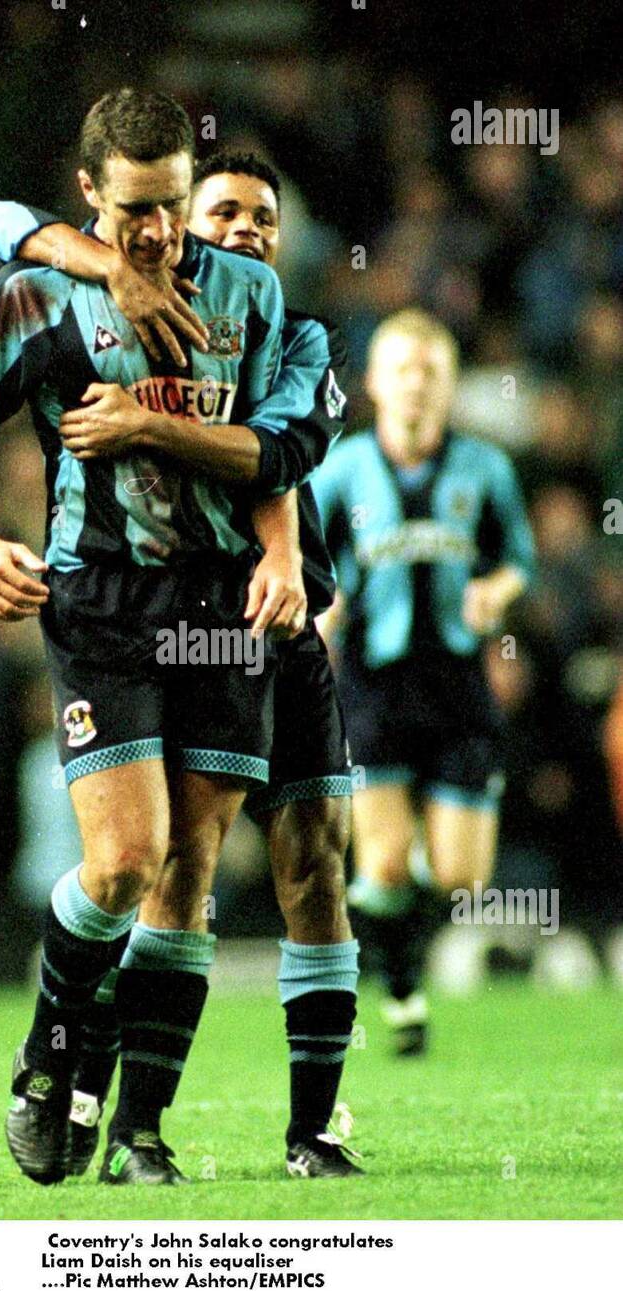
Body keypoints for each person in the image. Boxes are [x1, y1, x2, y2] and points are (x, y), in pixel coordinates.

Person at [0, 91, 338, 1188]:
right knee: (117, 863)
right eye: (137, 211)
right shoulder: (32, 291)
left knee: (189, 871)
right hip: (100, 600)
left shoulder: (249, 291)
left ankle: (137, 1134)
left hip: (217, 601)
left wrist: (281, 555)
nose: (160, 231)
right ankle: (46, 1060)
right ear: (88, 197)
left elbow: (267, 453)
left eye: (171, 205)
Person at [312, 309, 535, 1053]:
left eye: (430, 371)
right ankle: (403, 990)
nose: (415, 385)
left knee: (462, 880)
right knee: (377, 862)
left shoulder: (485, 469)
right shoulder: (341, 472)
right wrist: (324, 608)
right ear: (374, 383)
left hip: (457, 687)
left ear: (449, 387)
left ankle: (398, 932)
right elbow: (310, 561)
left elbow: (517, 558)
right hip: (373, 688)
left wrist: (493, 593)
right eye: (401, 370)